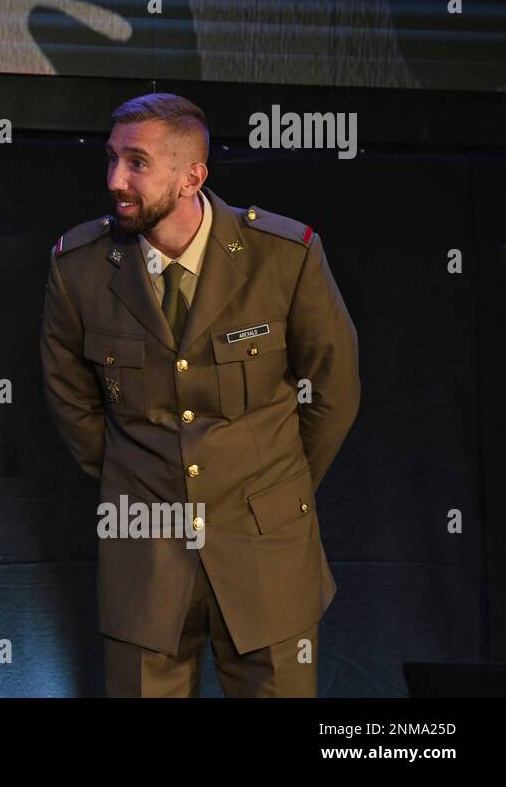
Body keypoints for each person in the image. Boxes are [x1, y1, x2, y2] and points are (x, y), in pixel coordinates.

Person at [40, 93, 360, 697]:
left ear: (193, 175)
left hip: (269, 553)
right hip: (144, 555)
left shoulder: (284, 257)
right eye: (111, 159)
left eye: (137, 162)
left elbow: (334, 393)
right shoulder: (78, 267)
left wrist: (274, 487)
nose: (115, 180)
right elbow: (72, 404)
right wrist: (134, 484)